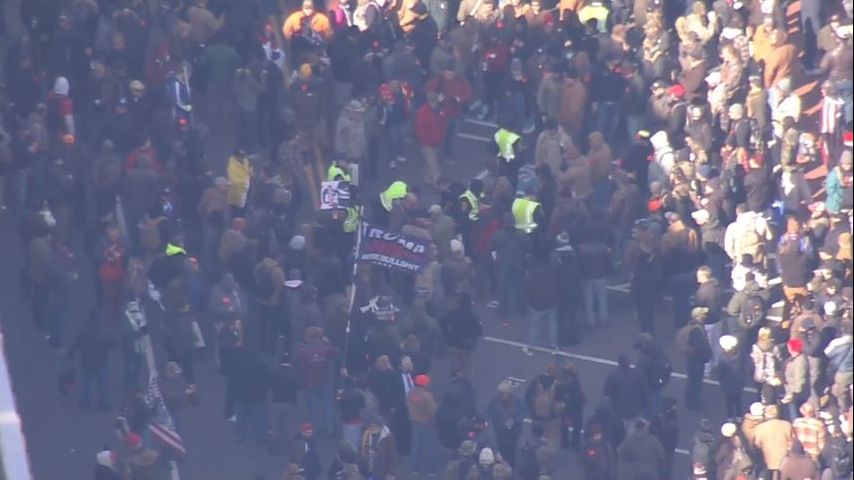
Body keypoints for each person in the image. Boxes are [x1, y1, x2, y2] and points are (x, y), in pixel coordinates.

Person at [67, 315, 115, 411]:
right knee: (102, 385)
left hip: (87, 362)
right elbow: (113, 344)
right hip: (101, 362)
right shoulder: (104, 331)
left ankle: (85, 404)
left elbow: (76, 343)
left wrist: (70, 354)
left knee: (86, 385)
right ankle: (102, 404)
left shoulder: (84, 331)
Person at [440, 293, 482, 377]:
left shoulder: (453, 313)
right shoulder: (473, 317)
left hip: (453, 344)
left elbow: (442, 322)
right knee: (466, 369)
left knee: (453, 366)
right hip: (466, 347)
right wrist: (471, 336)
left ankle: (453, 380)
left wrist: (447, 334)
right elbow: (479, 331)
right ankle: (463, 384)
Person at [406, 374, 438, 476]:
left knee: (415, 445)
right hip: (426, 423)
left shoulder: (410, 393)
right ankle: (430, 470)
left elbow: (407, 404)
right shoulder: (427, 396)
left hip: (414, 423)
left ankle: (414, 469)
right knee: (429, 446)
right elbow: (433, 411)